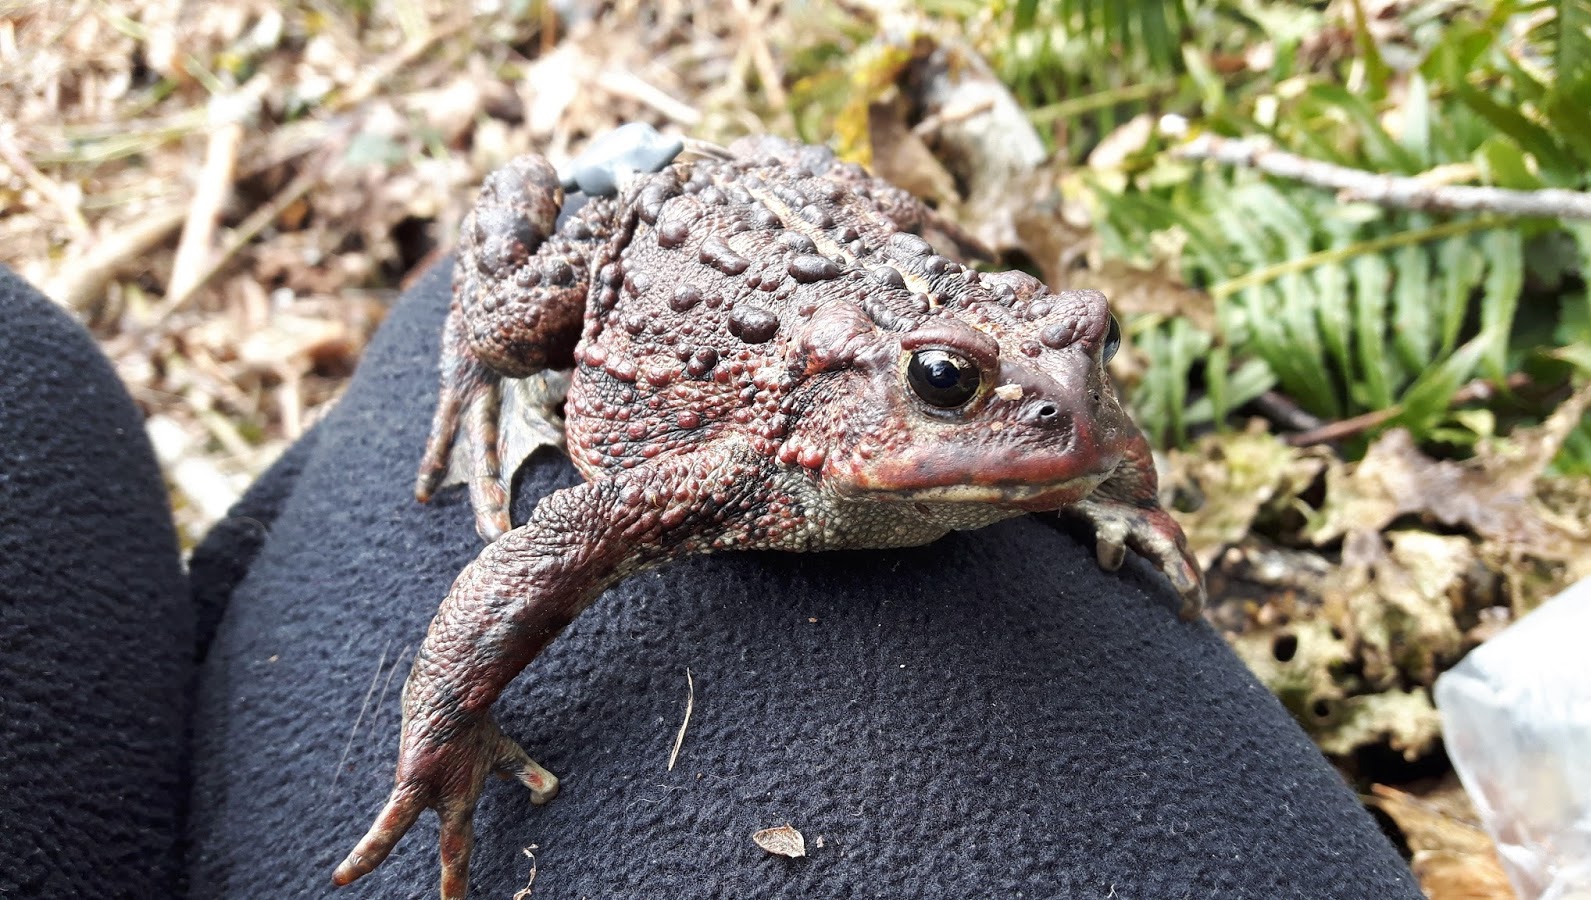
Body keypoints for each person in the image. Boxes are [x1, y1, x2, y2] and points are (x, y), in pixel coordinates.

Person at [0, 262, 1423, 898]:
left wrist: (1121, 501)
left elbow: (1082, 426)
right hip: (701, 294)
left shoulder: (1047, 407)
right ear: (888, 394)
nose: (1072, 411)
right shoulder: (746, 462)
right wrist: (443, 736)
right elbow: (548, 541)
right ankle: (469, 355)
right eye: (950, 390)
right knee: (480, 316)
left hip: (851, 282)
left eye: (1087, 351)